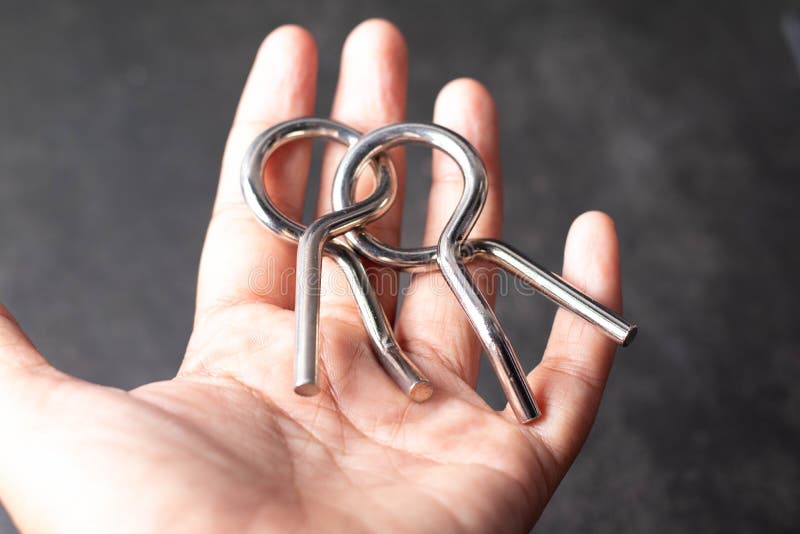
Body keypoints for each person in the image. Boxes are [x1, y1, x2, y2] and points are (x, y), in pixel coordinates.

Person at [0, 19, 625, 533]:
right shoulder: (330, 241)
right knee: (412, 255)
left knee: (474, 250)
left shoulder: (347, 232)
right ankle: (456, 377)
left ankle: (507, 380)